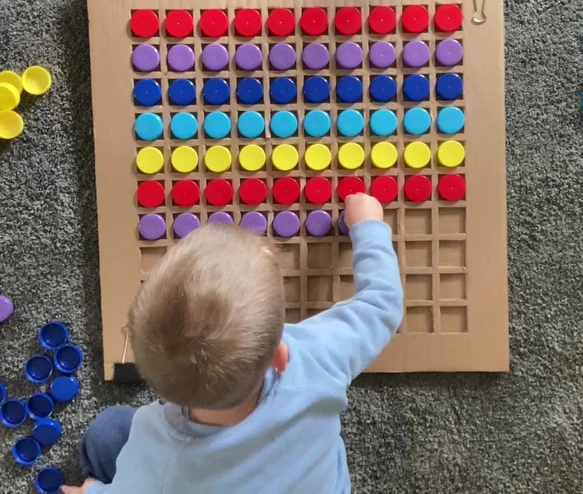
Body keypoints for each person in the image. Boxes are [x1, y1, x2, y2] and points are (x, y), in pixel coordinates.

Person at [63, 193, 403, 494]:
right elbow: (381, 304)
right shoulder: (315, 360)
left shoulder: (159, 448)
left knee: (106, 435)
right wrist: (368, 227)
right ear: (280, 356)